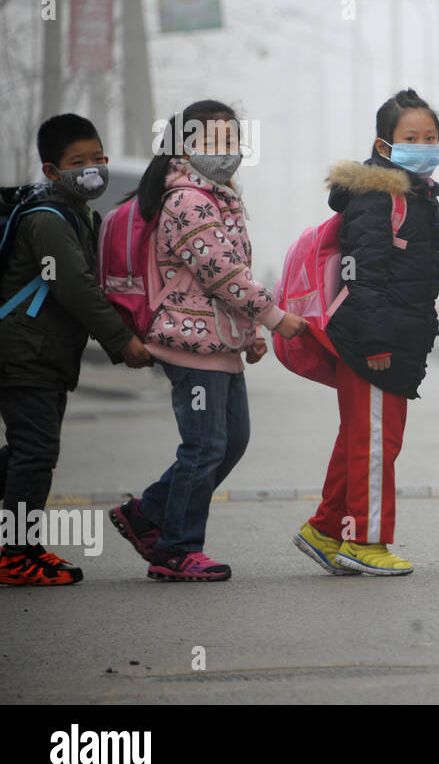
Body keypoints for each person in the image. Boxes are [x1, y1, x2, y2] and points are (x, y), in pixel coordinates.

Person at [109, 101, 306, 582]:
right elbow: (220, 273)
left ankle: (146, 513)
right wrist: (275, 317)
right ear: (183, 146)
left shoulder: (219, 197)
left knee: (229, 442)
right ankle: (176, 549)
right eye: (213, 141)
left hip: (219, 344)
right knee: (204, 447)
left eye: (232, 141)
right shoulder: (188, 200)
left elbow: (227, 272)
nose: (227, 151)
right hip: (189, 344)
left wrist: (251, 333)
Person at [293, 89, 439, 577]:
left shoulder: (426, 201)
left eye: (431, 136)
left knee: (360, 438)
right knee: (376, 447)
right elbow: (361, 273)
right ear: (384, 145)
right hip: (372, 341)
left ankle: (326, 530)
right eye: (411, 137)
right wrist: (377, 342)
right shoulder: (375, 198)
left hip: (398, 338)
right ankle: (366, 540)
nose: (424, 144)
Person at [0, 114, 152, 586]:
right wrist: (122, 341)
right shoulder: (47, 218)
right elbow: (76, 287)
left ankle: (20, 547)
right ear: (51, 170)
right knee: (35, 453)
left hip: (45, 353)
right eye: (78, 161)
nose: (92, 168)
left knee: (28, 451)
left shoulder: (81, 215)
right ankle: (14, 555)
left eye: (98, 158)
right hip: (24, 351)